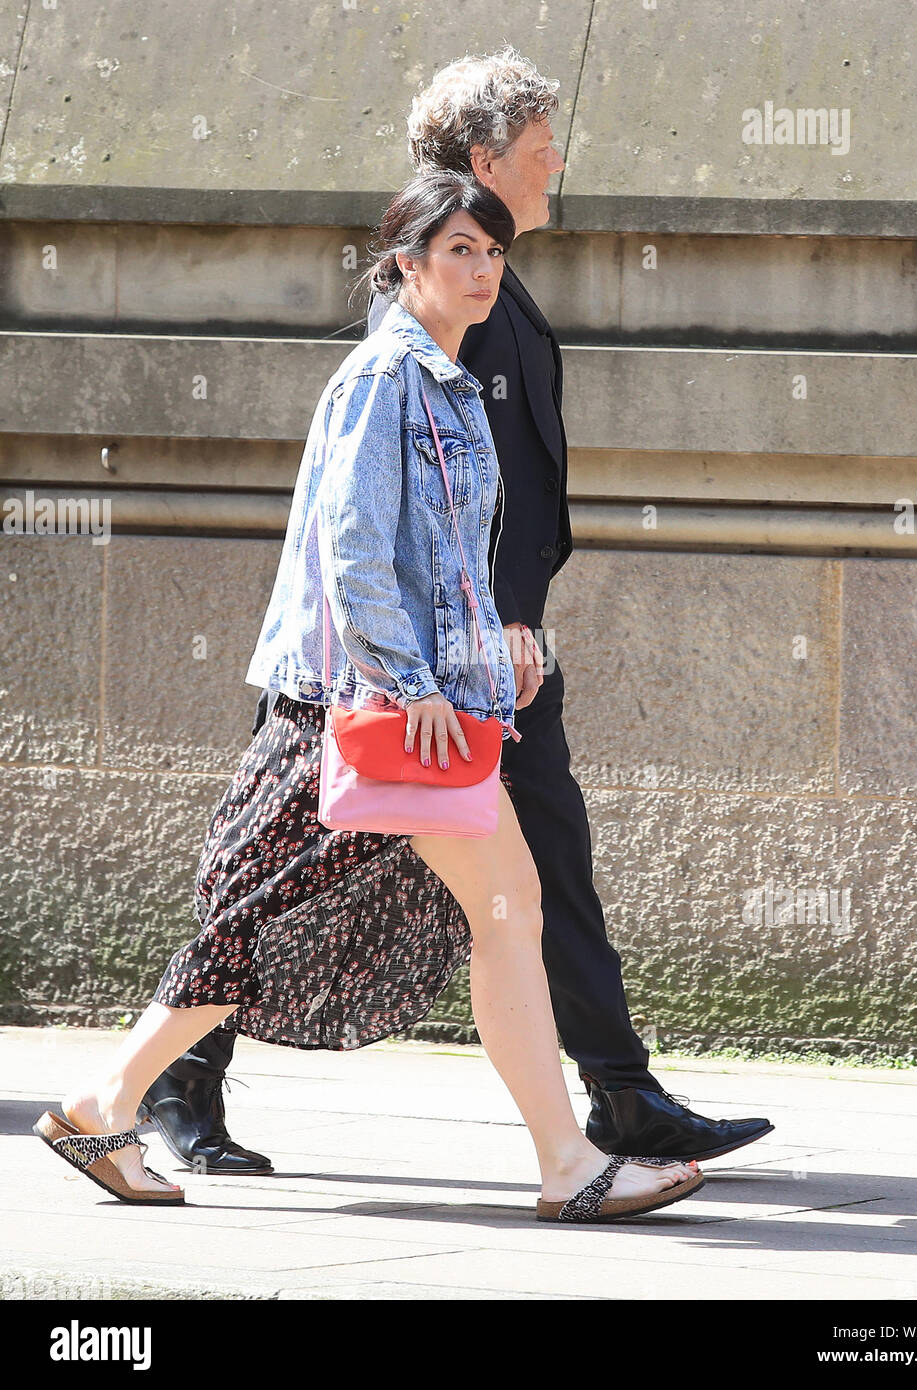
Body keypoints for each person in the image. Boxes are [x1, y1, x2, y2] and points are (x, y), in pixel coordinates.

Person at [141, 46, 772, 1177]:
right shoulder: (420, 342)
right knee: (277, 885)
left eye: (486, 250)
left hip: (473, 655)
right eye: (539, 151)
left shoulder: (482, 300)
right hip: (394, 670)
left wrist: (497, 633)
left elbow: (478, 499)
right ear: (477, 171)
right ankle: (147, 1090)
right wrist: (435, 664)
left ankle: (603, 1116)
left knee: (526, 888)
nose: (557, 165)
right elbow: (371, 535)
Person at [35, 170, 705, 1225]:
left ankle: (569, 1164)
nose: (483, 272)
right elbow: (354, 553)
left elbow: (442, 558)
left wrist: (494, 650)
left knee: (506, 906)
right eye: (459, 254)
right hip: (352, 710)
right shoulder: (384, 377)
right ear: (405, 263)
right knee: (267, 925)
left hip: (414, 705)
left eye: (494, 255)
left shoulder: (440, 378)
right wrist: (408, 678)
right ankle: (101, 1101)